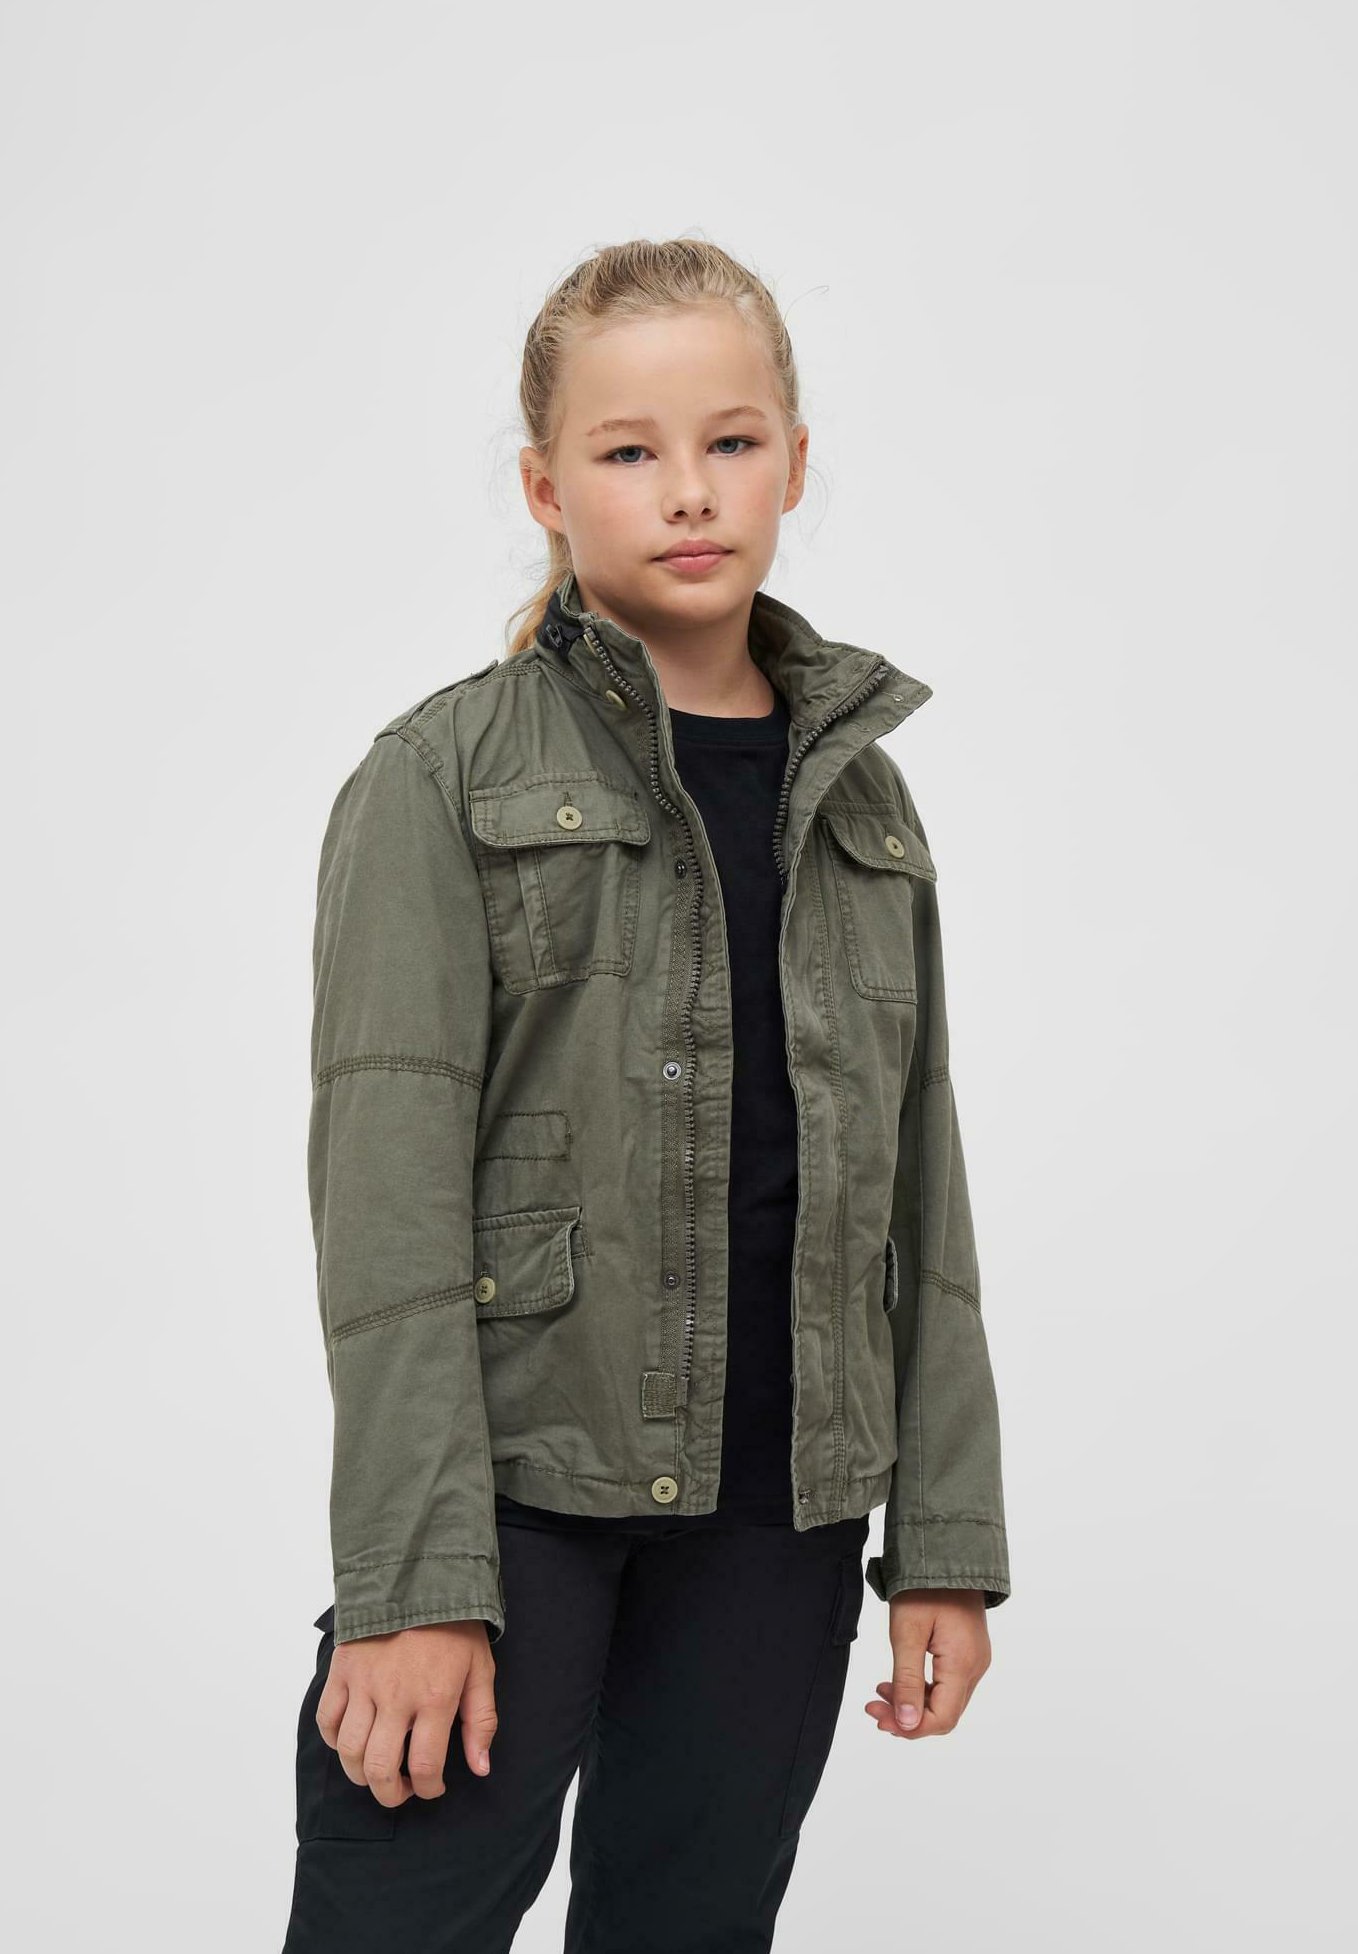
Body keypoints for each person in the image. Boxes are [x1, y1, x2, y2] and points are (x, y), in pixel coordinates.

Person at [281, 235, 1011, 1953]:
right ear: (546, 488)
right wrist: (412, 1582)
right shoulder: (439, 777)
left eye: (730, 440)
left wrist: (943, 1539)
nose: (687, 489)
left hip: (782, 1514)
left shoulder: (863, 798)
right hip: (514, 1505)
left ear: (794, 462)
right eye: (628, 450)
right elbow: (383, 1200)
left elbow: (922, 1182)